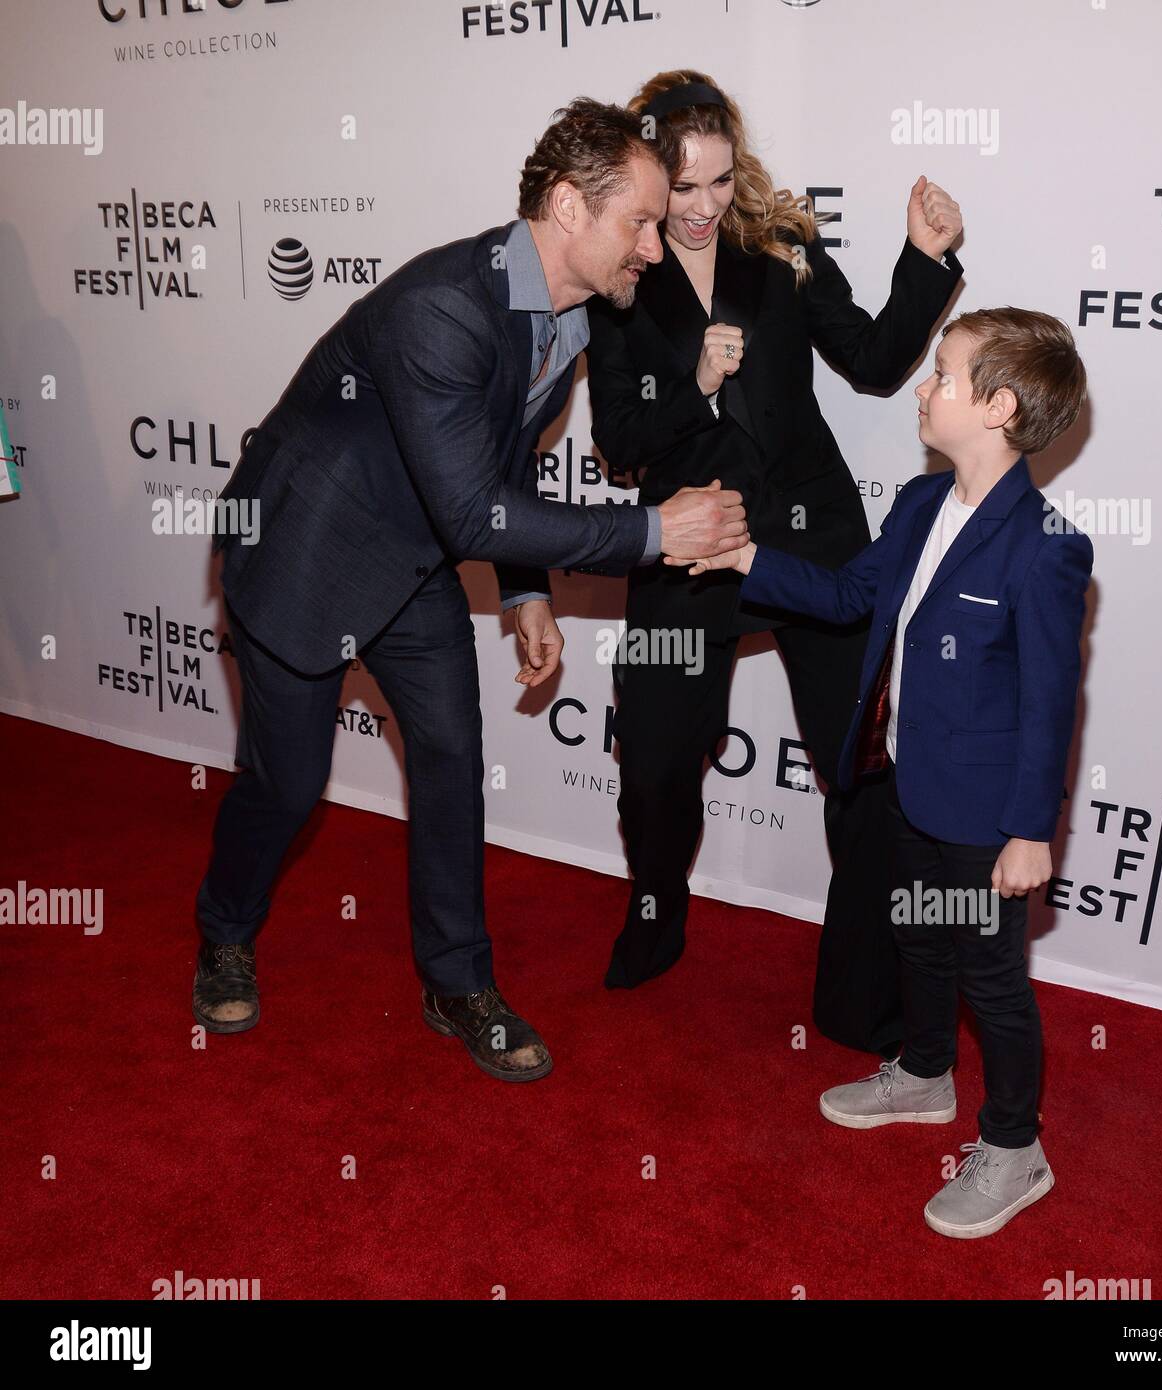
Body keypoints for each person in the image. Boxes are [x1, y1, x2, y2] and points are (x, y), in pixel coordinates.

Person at [192, 98, 750, 1084]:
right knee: (285, 785)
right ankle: (224, 930)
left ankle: (456, 982)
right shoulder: (442, 308)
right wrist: (657, 530)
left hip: (409, 559)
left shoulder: (572, 314)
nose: (656, 250)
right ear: (571, 208)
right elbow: (473, 516)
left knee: (452, 757)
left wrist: (526, 592)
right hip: (303, 552)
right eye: (643, 222)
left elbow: (505, 465)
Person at [672, 307, 1091, 1237]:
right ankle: (927, 1074)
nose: (923, 387)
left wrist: (1030, 831)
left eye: (943, 373)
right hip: (901, 780)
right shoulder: (915, 504)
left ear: (998, 406)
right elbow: (851, 596)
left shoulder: (1049, 546)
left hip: (985, 816)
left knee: (993, 979)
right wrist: (746, 556)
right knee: (918, 940)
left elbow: (1050, 705)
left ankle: (1017, 1148)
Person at [585, 69, 963, 1056]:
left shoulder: (782, 250)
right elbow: (619, 439)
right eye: (682, 186)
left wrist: (923, 261)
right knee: (658, 764)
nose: (703, 206)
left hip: (810, 535)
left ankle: (863, 983)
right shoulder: (619, 279)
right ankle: (656, 913)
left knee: (860, 765)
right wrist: (697, 383)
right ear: (645, 179)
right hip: (690, 543)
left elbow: (876, 363)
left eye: (719, 180)